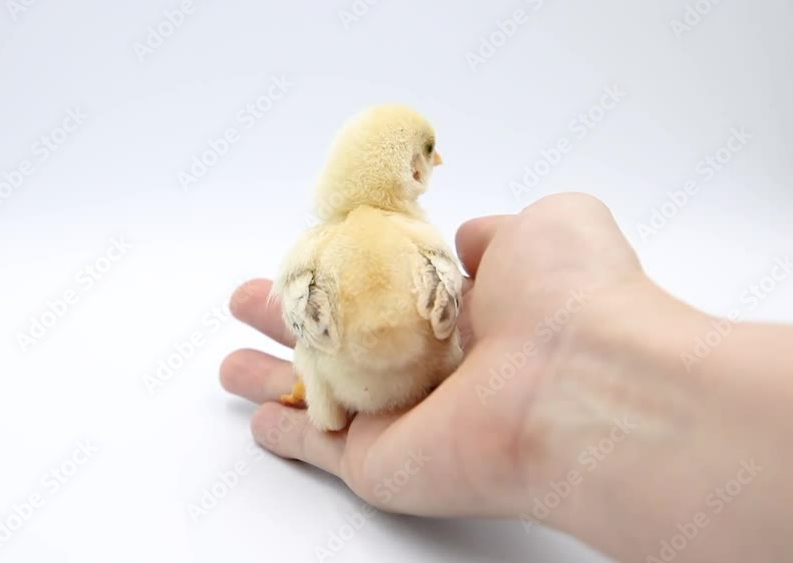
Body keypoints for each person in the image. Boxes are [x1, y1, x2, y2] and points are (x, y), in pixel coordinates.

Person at [219, 193, 791, 562]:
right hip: (413, 370)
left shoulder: (329, 248)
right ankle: (332, 397)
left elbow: (314, 311)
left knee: (321, 369)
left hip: (362, 376)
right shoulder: (406, 242)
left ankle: (328, 404)